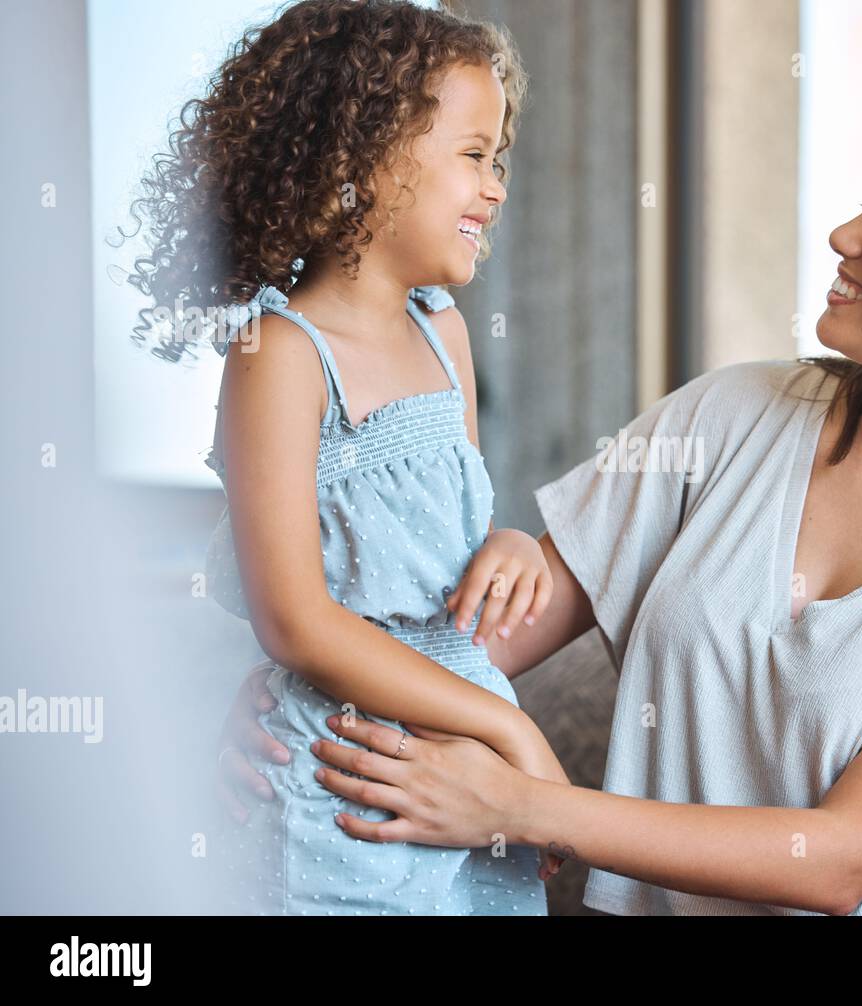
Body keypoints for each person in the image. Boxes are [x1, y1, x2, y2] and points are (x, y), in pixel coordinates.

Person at [221, 87, 862, 915]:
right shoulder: (735, 415)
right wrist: (306, 708)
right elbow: (469, 649)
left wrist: (519, 802)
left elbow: (837, 858)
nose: (841, 234)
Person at [130, 0, 568, 915]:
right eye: (473, 156)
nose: (496, 188)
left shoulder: (445, 338)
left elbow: (449, 562)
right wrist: (511, 735)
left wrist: (512, 547)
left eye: (501, 160)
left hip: (463, 770)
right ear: (364, 157)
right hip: (346, 792)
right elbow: (296, 622)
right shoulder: (280, 355)